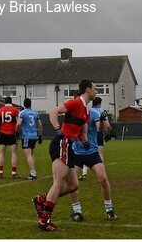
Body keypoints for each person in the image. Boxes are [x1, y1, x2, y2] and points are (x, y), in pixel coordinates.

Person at [32, 79, 96, 232]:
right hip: (62, 144)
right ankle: (44, 221)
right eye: (95, 89)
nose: (96, 91)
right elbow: (53, 111)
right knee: (58, 183)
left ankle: (41, 200)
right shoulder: (75, 103)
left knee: (74, 185)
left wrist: (85, 141)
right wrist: (57, 128)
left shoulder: (87, 110)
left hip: (70, 146)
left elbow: (82, 133)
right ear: (87, 90)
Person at [70, 96, 116, 221]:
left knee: (103, 178)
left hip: (92, 153)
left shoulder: (93, 113)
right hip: (77, 153)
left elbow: (99, 129)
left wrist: (101, 121)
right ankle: (77, 212)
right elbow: (71, 135)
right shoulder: (72, 116)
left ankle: (109, 209)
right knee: (72, 184)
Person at [16, 98, 43, 181]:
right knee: (31, 154)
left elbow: (18, 124)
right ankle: (33, 171)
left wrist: (17, 132)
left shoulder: (22, 113)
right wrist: (40, 136)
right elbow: (40, 125)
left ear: (24, 104)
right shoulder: (35, 113)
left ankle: (33, 173)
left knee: (28, 155)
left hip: (26, 136)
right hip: (34, 136)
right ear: (30, 104)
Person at [0, 96, 21, 179]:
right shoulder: (15, 110)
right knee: (14, 154)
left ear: (4, 102)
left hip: (2, 134)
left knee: (2, 153)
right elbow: (18, 123)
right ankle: (13, 173)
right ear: (11, 102)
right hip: (12, 134)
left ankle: (0, 172)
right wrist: (17, 132)